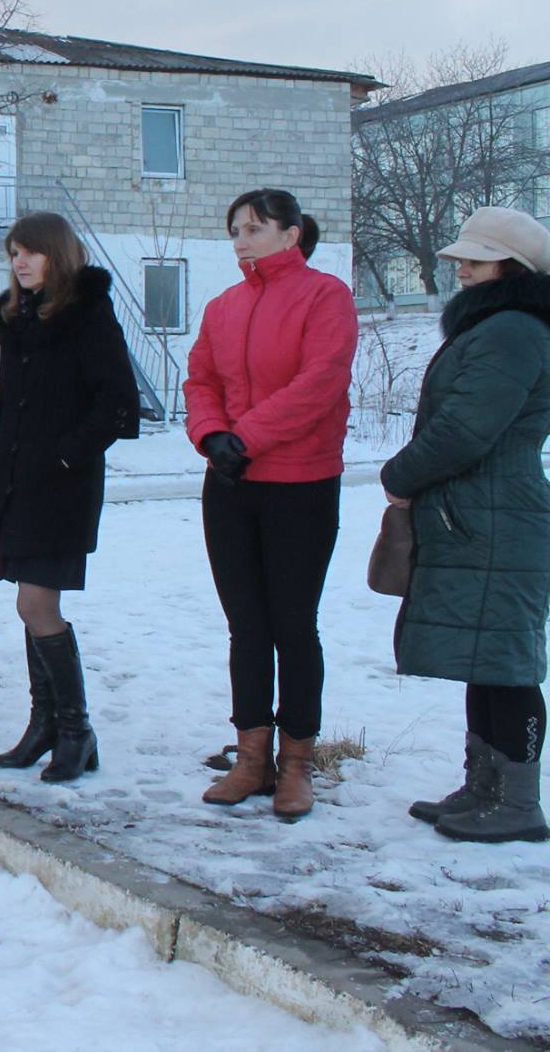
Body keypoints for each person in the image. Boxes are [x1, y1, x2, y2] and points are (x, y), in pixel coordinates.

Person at [186, 189, 356, 822]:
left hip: (300, 482)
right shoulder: (223, 305)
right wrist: (210, 435)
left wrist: (246, 437)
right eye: (235, 229)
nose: (241, 239)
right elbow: (200, 379)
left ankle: (295, 764)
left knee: (292, 624)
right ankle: (251, 756)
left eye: (254, 228)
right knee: (246, 627)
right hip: (230, 484)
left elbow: (322, 380)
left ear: (291, 234)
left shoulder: (325, 295)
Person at [382, 207, 550, 844]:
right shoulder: (504, 326)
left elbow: (465, 430)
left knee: (506, 661)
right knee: (486, 657)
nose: (462, 271)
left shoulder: (511, 331)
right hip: (481, 514)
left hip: (497, 517)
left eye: (476, 260)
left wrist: (400, 475)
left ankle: (517, 802)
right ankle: (485, 787)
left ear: (514, 267)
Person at [0, 214, 141, 783]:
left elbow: (119, 404)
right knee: (26, 604)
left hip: (61, 488)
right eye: (14, 253)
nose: (20, 263)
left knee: (35, 604)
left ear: (58, 255)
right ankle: (45, 724)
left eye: (31, 253)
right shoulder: (18, 320)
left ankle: (75, 729)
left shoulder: (86, 316)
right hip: (18, 485)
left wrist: (65, 456)